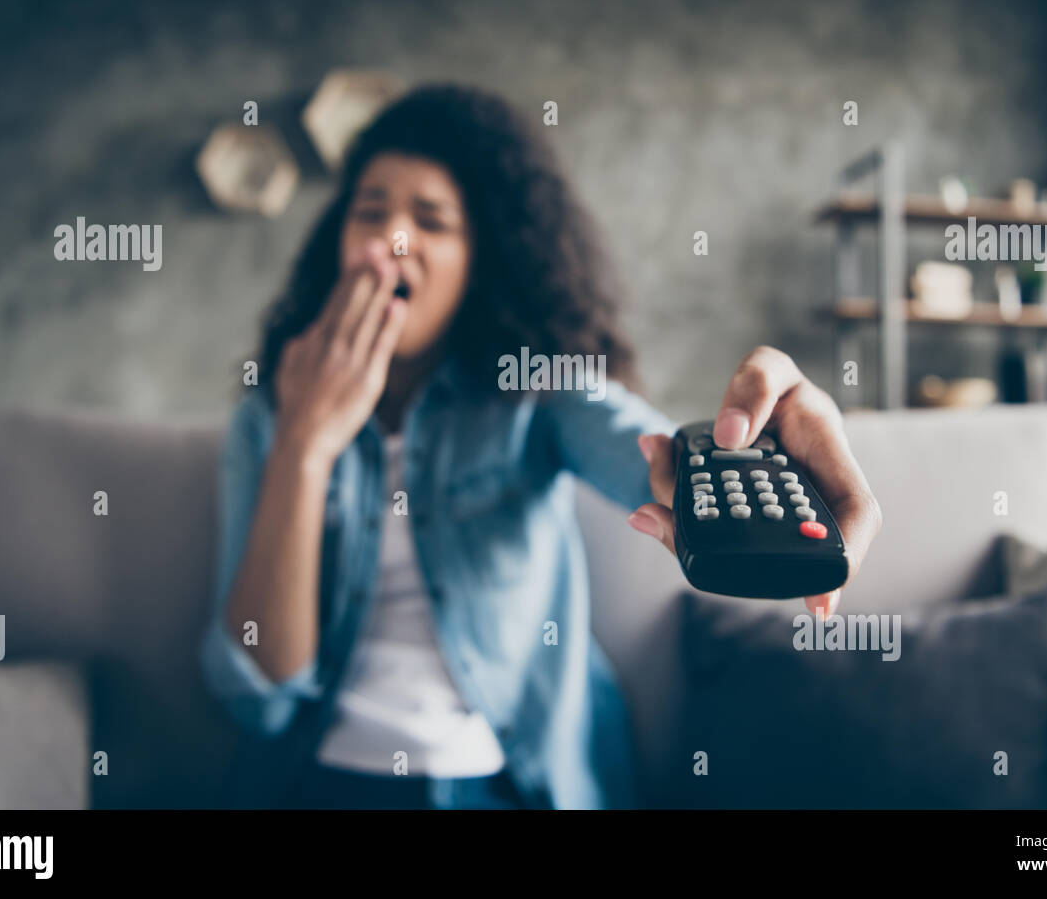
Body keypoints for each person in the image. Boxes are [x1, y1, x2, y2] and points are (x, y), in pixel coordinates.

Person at [199, 82, 882, 809]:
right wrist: (304, 445)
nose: (391, 243)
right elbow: (258, 697)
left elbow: (649, 458)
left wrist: (761, 443)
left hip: (505, 785)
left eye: (431, 221)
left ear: (477, 262)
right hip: (322, 783)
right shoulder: (266, 421)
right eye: (370, 213)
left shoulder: (538, 393)